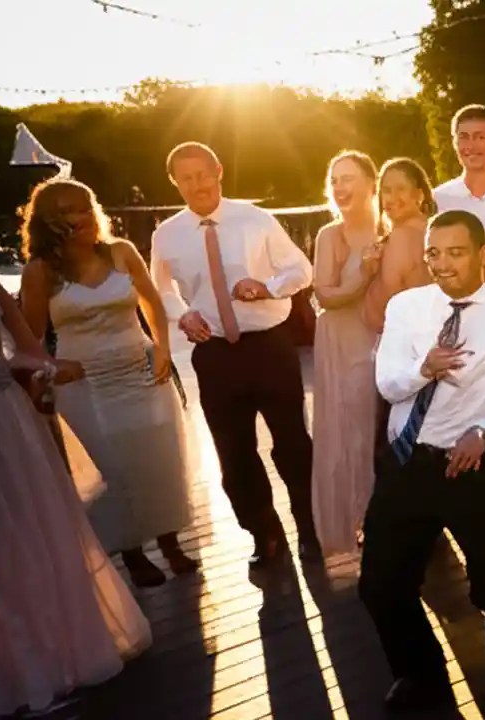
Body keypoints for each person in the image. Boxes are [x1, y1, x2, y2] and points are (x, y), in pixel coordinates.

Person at [0, 198, 152, 718]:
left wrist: (49, 373)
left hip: (6, 421)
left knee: (37, 533)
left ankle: (71, 653)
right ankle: (25, 675)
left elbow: (28, 350)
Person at [359, 209, 485, 718]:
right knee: (380, 585)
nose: (441, 263)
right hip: (408, 464)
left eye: (455, 252)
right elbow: (388, 384)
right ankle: (421, 674)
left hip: (474, 469)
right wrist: (424, 369)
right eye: (433, 253)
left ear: (482, 255)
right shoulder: (405, 308)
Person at [19, 178, 198, 588]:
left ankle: (170, 541)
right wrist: (54, 366)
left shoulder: (121, 252)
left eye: (85, 207)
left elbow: (152, 302)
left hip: (140, 368)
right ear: (47, 222)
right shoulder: (41, 271)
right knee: (112, 466)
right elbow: (30, 338)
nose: (80, 217)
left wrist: (162, 349)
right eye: (67, 211)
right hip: (87, 383)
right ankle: (133, 553)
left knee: (157, 457)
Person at [150, 141, 319, 568]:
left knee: (293, 444)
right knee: (233, 453)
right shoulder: (166, 234)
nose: (197, 185)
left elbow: (301, 269)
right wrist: (183, 314)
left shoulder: (255, 218)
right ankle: (265, 534)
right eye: (186, 178)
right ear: (175, 183)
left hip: (269, 345)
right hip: (213, 354)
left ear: (218, 171)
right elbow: (160, 289)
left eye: (202, 174)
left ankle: (310, 528)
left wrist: (268, 287)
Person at [310, 150, 383, 557]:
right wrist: (363, 277)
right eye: (334, 180)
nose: (339, 187)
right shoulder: (329, 235)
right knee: (354, 430)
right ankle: (361, 518)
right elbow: (325, 296)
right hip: (343, 339)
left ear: (372, 184)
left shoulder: (391, 229)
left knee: (386, 428)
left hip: (385, 337)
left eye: (348, 178)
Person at [362, 157, 436, 334]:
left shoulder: (401, 238)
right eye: (387, 190)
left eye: (401, 189)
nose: (393, 198)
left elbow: (382, 310)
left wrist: (369, 276)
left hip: (406, 339)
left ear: (419, 195)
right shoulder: (435, 230)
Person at [433, 104, 485, 227]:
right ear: (454, 143)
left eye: (480, 137)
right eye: (464, 137)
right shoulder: (438, 199)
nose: (471, 146)